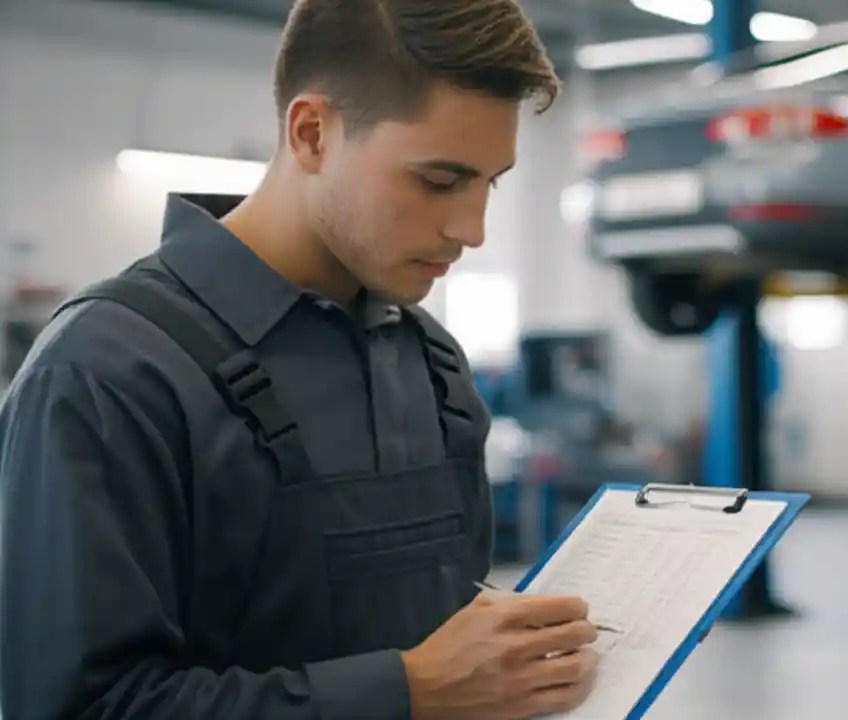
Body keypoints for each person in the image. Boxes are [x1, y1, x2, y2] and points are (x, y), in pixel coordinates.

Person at [0, 1, 601, 718]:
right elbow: (78, 707)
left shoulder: (430, 363)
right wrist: (408, 692)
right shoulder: (109, 373)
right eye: (439, 181)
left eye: (488, 183)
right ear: (312, 133)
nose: (470, 229)